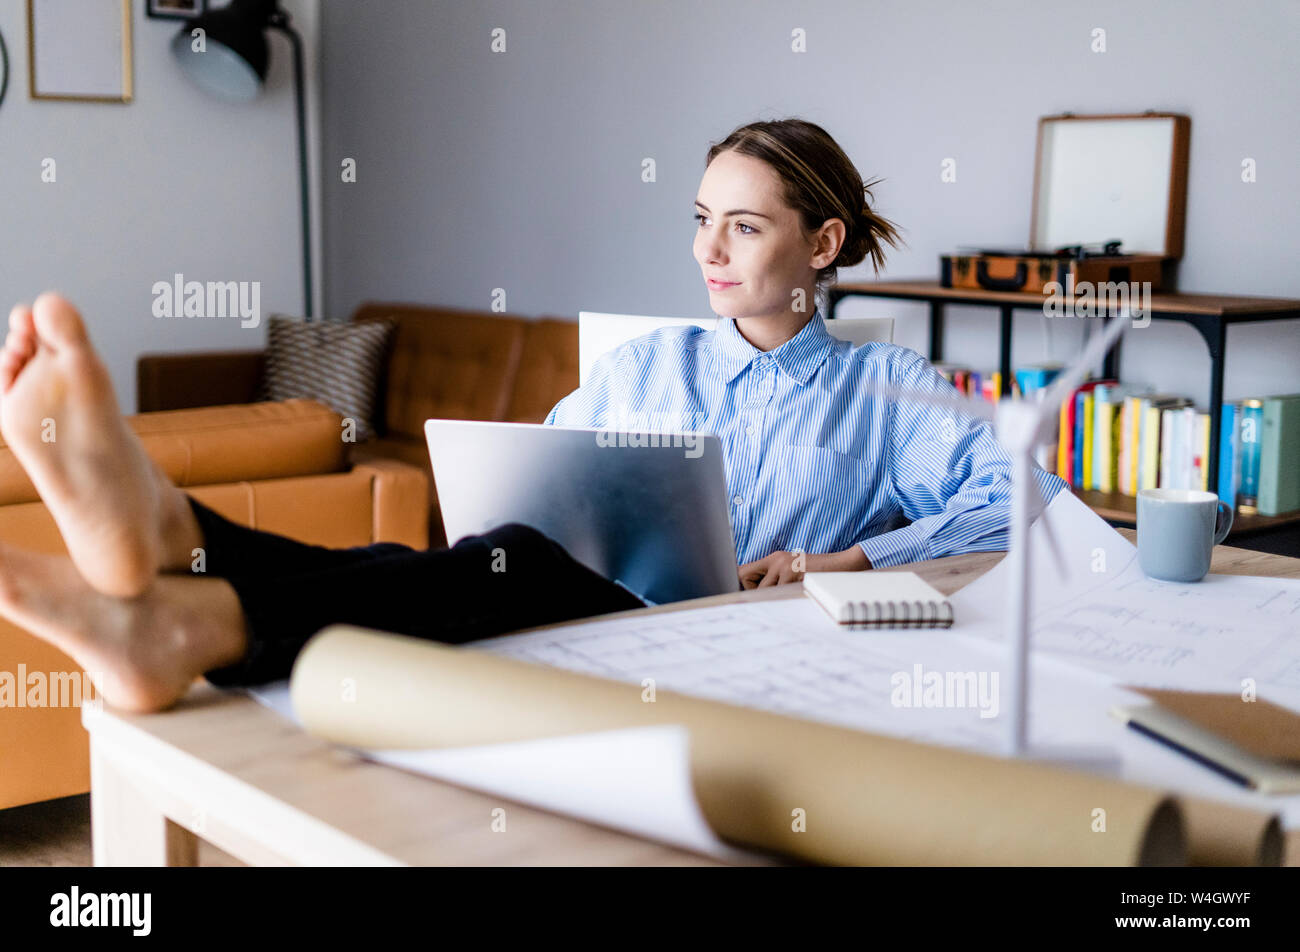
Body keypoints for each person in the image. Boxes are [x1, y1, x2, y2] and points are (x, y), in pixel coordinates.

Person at [0, 118, 1066, 714]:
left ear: (821, 246)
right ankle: (180, 565)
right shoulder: (647, 365)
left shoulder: (885, 392)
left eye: (742, 228)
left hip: (721, 653)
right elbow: (524, 481)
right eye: (701, 221)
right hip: (583, 616)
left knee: (504, 561)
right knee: (454, 557)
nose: (707, 252)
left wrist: (852, 560)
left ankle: (184, 555)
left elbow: (1026, 498)